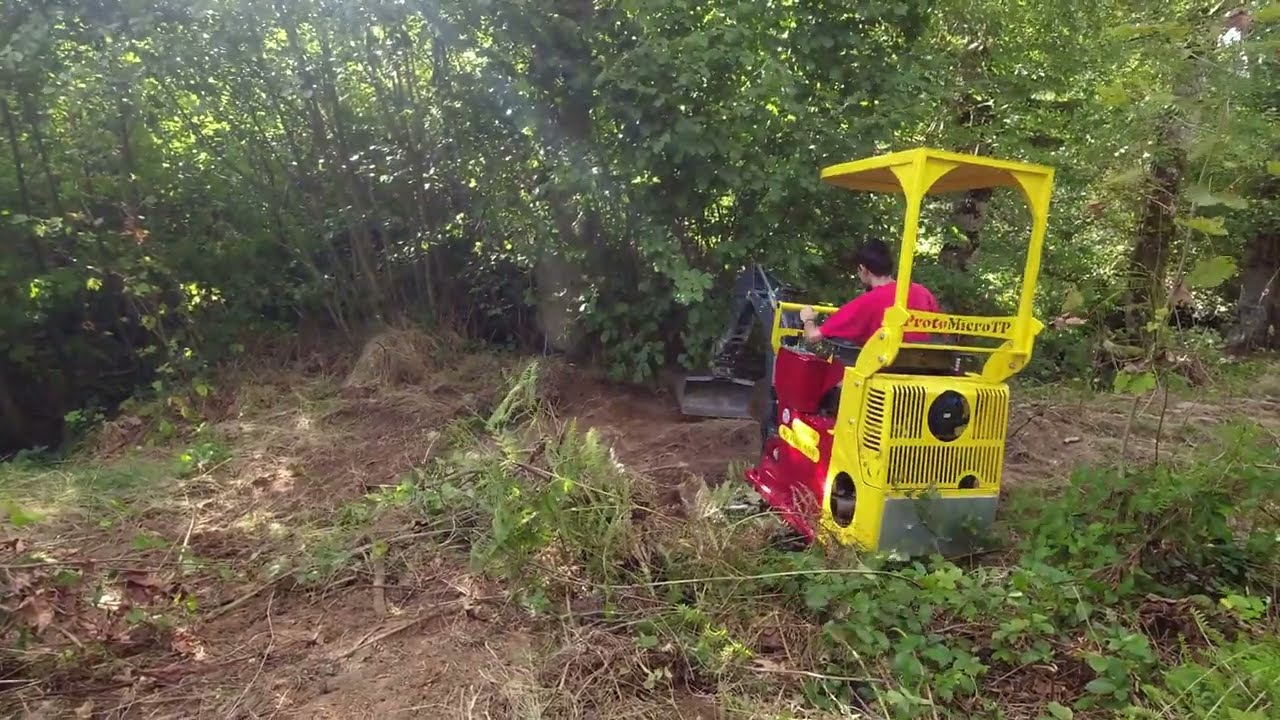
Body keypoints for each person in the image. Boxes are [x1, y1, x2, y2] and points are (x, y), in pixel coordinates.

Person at [798, 239, 939, 346]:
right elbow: (939, 332)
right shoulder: (922, 292)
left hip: (884, 368)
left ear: (863, 269)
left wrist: (808, 319)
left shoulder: (866, 302)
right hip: (925, 368)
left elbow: (813, 336)